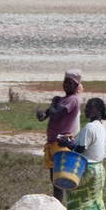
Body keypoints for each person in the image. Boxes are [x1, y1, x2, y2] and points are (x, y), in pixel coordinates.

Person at [55, 97, 106, 210]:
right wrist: (72, 142)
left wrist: (66, 143)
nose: (87, 110)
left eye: (90, 108)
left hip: (86, 169)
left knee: (76, 203)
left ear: (99, 111)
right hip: (98, 170)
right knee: (94, 202)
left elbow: (80, 149)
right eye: (86, 107)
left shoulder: (89, 127)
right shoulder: (100, 126)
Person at [37, 69, 83, 202]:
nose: (66, 85)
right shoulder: (61, 100)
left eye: (70, 83)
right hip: (52, 143)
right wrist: (42, 114)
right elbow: (45, 116)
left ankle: (62, 204)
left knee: (61, 177)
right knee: (54, 177)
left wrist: (52, 104)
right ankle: (58, 203)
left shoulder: (72, 100)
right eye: (65, 82)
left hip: (61, 143)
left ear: (76, 86)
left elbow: (56, 114)